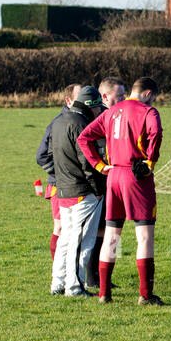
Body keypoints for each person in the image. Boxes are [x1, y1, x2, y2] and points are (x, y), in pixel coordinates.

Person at [78, 76, 165, 305]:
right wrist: (149, 162)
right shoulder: (149, 112)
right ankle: (145, 294)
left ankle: (104, 292)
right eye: (153, 97)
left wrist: (99, 164)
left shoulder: (111, 111)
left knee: (112, 235)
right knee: (144, 236)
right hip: (136, 177)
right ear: (147, 94)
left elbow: (84, 137)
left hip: (113, 175)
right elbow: (156, 134)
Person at [49, 85, 106, 297]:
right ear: (91, 106)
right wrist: (97, 189)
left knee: (66, 237)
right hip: (84, 192)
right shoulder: (83, 125)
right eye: (98, 107)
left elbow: (48, 155)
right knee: (81, 240)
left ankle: (58, 282)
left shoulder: (58, 122)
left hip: (63, 189)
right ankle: (74, 286)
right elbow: (87, 163)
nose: (100, 112)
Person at [86, 77, 124, 292]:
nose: (123, 99)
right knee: (100, 231)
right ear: (105, 97)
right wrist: (100, 167)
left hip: (117, 183)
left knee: (113, 231)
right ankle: (92, 277)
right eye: (119, 96)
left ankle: (105, 277)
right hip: (101, 184)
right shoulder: (97, 118)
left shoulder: (121, 114)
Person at [35, 84, 80, 267]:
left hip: (78, 183)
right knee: (61, 228)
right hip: (60, 184)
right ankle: (59, 272)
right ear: (68, 101)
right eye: (79, 99)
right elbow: (41, 155)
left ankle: (83, 274)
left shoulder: (83, 120)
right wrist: (61, 173)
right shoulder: (57, 123)